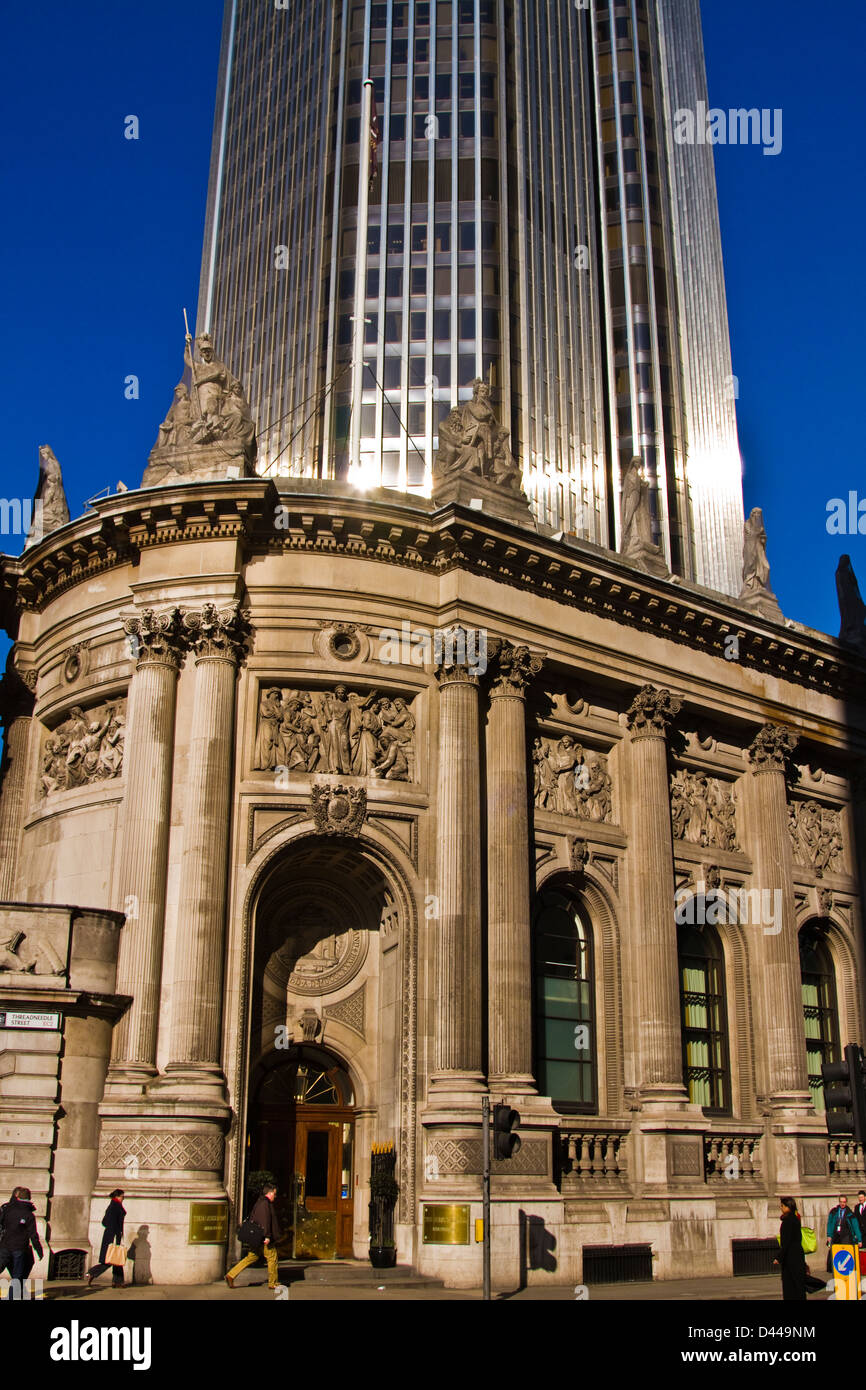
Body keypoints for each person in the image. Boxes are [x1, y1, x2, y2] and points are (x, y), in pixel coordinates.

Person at [225, 1184, 281, 1290]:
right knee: (272, 1257)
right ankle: (273, 1282)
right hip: (263, 1237)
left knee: (252, 1256)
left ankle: (231, 1275)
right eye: (274, 1193)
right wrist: (267, 1236)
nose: (275, 1196)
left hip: (257, 1237)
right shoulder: (265, 1204)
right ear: (269, 1193)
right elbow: (265, 1221)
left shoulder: (260, 1202)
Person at [0, 1186, 43, 1287]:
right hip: (19, 1248)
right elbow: (33, 1234)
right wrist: (39, 1250)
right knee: (18, 1276)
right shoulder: (29, 1214)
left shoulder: (6, 1209)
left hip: (5, 1246)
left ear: (15, 1196)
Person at [86, 1189, 126, 1288]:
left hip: (111, 1235)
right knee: (110, 1260)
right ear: (117, 1196)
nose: (123, 1198)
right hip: (112, 1236)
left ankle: (117, 1281)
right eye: (122, 1196)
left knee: (116, 1259)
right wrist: (117, 1234)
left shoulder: (113, 1205)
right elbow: (110, 1222)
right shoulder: (115, 1206)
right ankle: (92, 1273)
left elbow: (104, 1222)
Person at [774, 1196, 807, 1301]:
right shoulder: (795, 1218)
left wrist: (779, 1257)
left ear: (788, 1207)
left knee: (791, 1286)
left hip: (791, 1258)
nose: (781, 1208)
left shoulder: (788, 1221)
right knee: (798, 1285)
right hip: (797, 1256)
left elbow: (786, 1242)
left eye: (782, 1206)